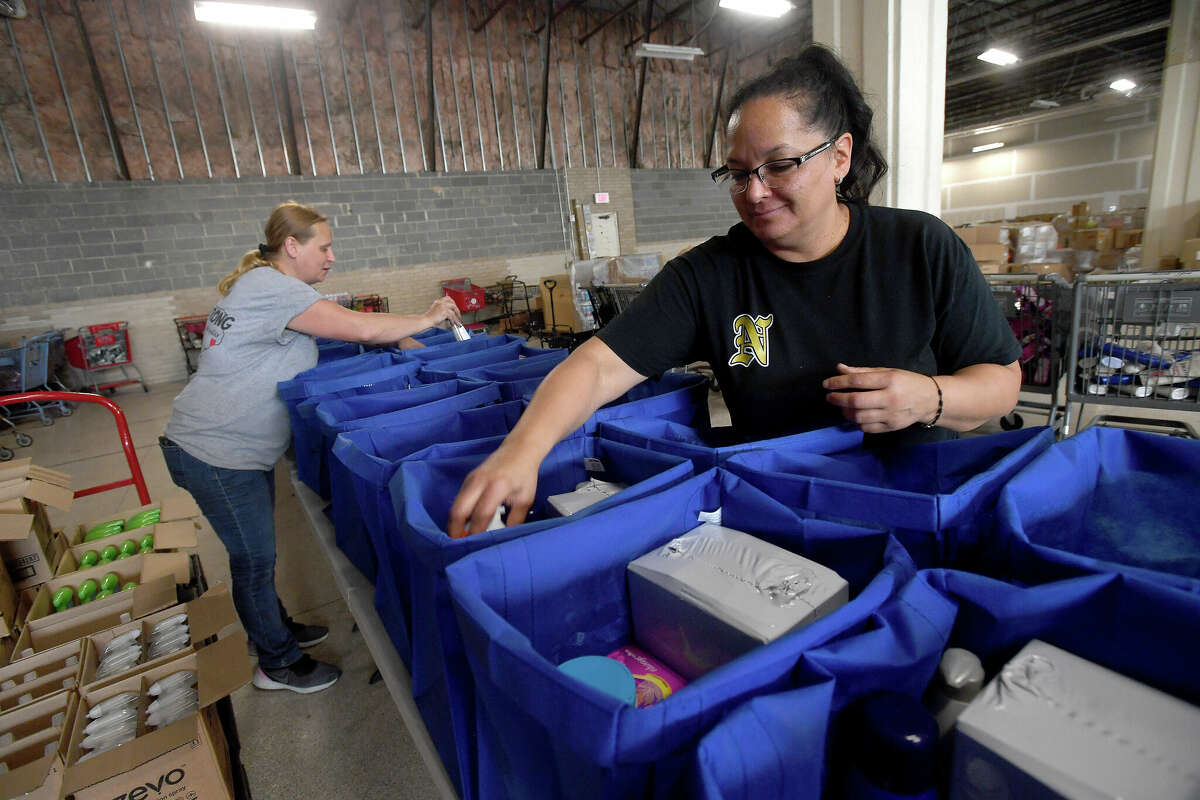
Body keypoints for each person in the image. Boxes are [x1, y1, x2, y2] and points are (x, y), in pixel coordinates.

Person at [448, 44, 1021, 539]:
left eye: (780, 166)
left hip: (912, 510)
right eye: (739, 173)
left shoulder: (919, 247)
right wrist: (521, 451)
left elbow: (1001, 382)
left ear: (840, 157)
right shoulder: (709, 276)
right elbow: (597, 367)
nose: (755, 192)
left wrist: (930, 397)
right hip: (779, 518)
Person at [160, 201, 461, 693]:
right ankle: (277, 664)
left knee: (256, 556)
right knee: (254, 561)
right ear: (292, 246)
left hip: (229, 446)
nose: (332, 256)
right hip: (216, 449)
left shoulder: (263, 285)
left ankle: (271, 629)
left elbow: (344, 329)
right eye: (324, 247)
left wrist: (399, 338)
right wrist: (426, 318)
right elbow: (359, 327)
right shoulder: (273, 289)